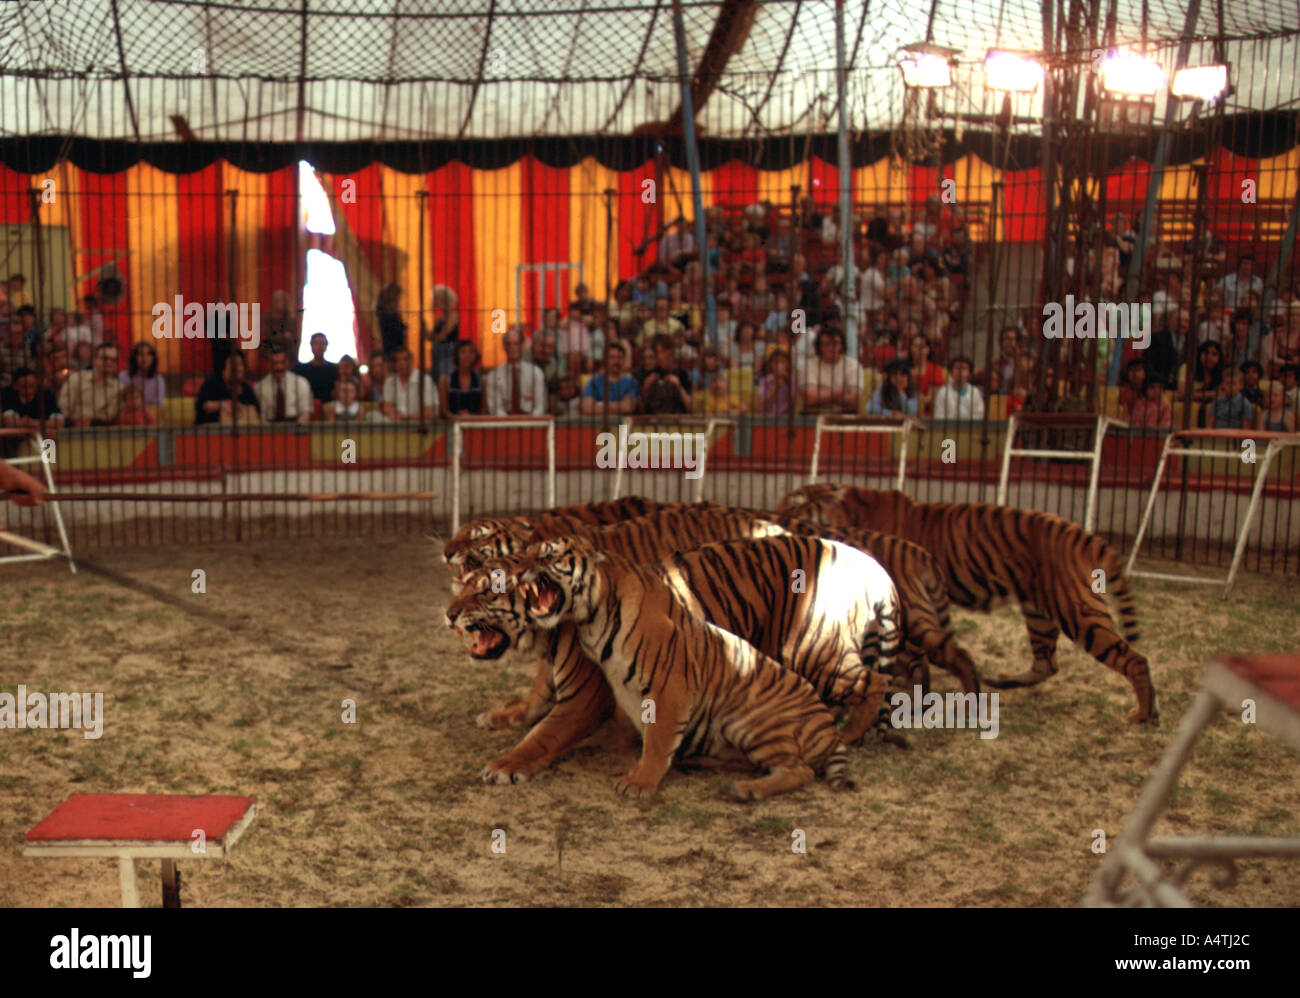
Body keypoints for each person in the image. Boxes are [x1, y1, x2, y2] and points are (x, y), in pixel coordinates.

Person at [484, 328, 546, 415]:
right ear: (504, 346)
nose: (512, 348)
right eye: (509, 344)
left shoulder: (535, 373)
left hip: (531, 422)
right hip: (503, 423)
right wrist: (509, 424)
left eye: (516, 344)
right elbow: (495, 408)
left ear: (522, 346)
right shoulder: (494, 375)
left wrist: (530, 423)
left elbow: (540, 406)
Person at [800, 328, 862, 413]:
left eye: (835, 343)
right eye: (826, 344)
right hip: (813, 415)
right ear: (819, 346)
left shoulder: (853, 365)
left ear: (841, 345)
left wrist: (821, 395)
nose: (831, 348)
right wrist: (839, 391)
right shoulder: (808, 365)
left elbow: (853, 401)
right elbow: (810, 399)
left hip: (845, 415)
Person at [58, 343, 121, 426]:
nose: (109, 362)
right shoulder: (76, 379)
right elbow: (64, 408)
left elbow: (111, 416)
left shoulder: (118, 387)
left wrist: (91, 421)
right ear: (94, 360)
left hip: (102, 431)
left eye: (113, 360)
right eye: (105, 358)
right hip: (71, 428)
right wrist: (76, 420)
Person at [195, 352, 260, 424]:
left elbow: (256, 409)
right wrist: (222, 405)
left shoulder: (246, 389)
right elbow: (202, 407)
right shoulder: (212, 384)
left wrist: (243, 408)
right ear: (224, 368)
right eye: (232, 364)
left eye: (239, 364)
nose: (236, 368)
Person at [254, 346, 313, 423]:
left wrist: (296, 432)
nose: (279, 367)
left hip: (295, 425)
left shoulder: (301, 383)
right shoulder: (259, 386)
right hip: (269, 428)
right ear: (268, 364)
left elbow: (306, 412)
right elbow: (261, 416)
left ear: (288, 362)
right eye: (274, 363)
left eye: (282, 362)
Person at [637, 334, 692, 414]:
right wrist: (645, 389)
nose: (659, 356)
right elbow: (639, 411)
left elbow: (691, 408)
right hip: (651, 422)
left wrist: (679, 388)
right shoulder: (647, 374)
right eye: (657, 352)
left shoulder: (682, 374)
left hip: (676, 422)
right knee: (622, 426)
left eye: (662, 352)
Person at [380, 346, 438, 422]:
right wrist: (393, 413)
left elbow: (431, 413)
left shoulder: (425, 381)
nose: (402, 363)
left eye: (405, 359)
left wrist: (405, 416)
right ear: (394, 364)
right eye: (398, 360)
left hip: (419, 427)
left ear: (412, 361)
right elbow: (387, 407)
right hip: (395, 425)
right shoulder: (390, 382)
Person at [580, 342, 639, 416]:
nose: (616, 361)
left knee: (623, 426)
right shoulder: (594, 382)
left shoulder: (632, 382)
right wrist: (619, 406)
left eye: (620, 357)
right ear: (604, 359)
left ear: (624, 359)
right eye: (612, 357)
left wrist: (600, 404)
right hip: (601, 425)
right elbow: (588, 408)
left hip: (623, 425)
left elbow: (628, 407)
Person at [440, 338, 485, 417]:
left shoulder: (481, 381)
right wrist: (458, 418)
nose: (467, 355)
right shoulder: (446, 380)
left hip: (475, 425)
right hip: (453, 425)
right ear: (457, 355)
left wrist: (471, 417)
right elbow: (444, 411)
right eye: (463, 352)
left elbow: (484, 410)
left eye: (471, 352)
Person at [932, 355, 985, 421]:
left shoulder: (975, 392)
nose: (960, 372)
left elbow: (979, 415)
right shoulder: (943, 392)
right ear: (951, 372)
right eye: (957, 368)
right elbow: (939, 416)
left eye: (964, 368)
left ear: (969, 373)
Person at [293, 332, 338, 405]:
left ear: (326, 346)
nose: (319, 347)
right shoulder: (300, 369)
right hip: (307, 407)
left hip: (329, 407)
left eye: (322, 343)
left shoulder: (334, 368)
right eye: (316, 343)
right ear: (311, 346)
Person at [119, 341, 165, 407]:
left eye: (149, 354)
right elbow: (120, 403)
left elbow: (158, 405)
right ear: (134, 357)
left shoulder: (158, 380)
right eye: (140, 354)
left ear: (153, 358)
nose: (144, 357)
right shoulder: (123, 377)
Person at [757, 349, 795, 416]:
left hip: (785, 418)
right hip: (767, 418)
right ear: (771, 364)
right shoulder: (764, 381)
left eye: (783, 362)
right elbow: (763, 401)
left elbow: (795, 402)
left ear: (788, 364)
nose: (779, 365)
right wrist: (775, 386)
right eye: (776, 362)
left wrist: (788, 383)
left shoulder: (792, 380)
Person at [376, 283, 407, 358]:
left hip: (395, 349)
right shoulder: (386, 314)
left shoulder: (390, 313)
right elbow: (393, 333)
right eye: (398, 297)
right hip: (392, 350)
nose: (399, 300)